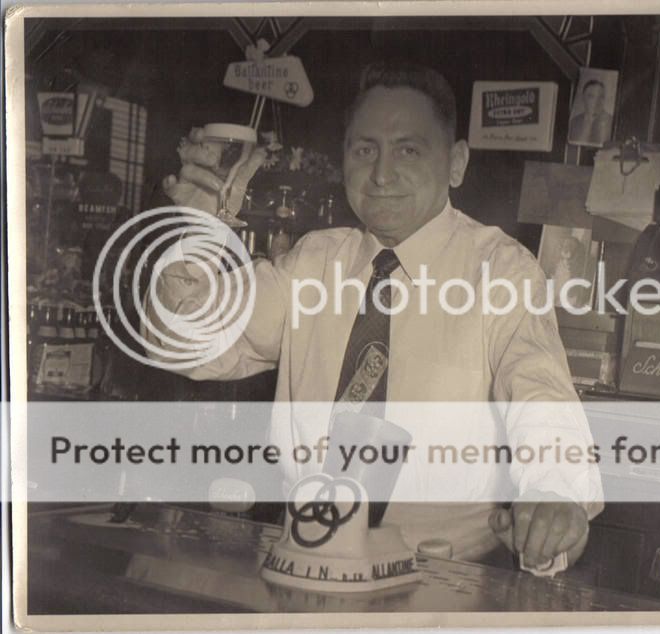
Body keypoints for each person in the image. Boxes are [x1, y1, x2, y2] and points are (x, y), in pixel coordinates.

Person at [153, 62, 603, 572]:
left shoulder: (500, 270)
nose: (382, 174)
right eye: (365, 150)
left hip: (440, 589)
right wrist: (190, 233)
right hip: (304, 565)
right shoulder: (312, 263)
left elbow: (540, 392)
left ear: (456, 164)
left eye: (408, 150)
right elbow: (188, 343)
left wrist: (553, 494)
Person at [568, 79, 613, 146]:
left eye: (601, 97)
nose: (597, 102)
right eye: (591, 96)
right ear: (583, 98)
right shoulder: (574, 122)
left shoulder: (611, 122)